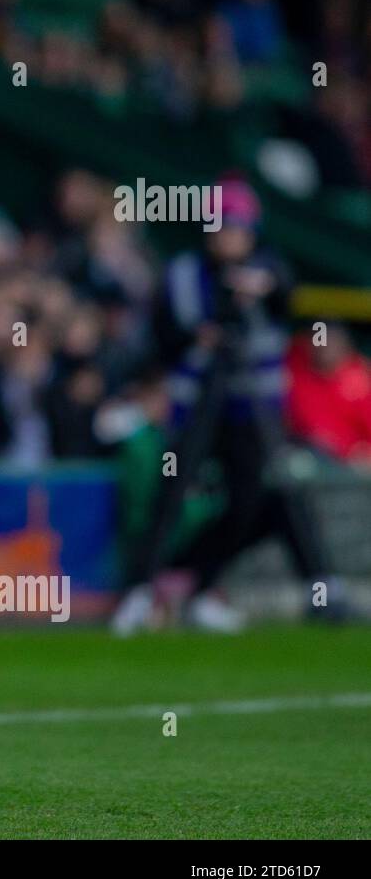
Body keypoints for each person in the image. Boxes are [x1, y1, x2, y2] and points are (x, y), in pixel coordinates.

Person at [111, 179, 330, 633]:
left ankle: (200, 586)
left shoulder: (268, 271)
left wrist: (261, 291)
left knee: (251, 502)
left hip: (251, 410)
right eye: (220, 228)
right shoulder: (185, 274)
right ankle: (138, 593)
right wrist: (201, 336)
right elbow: (162, 338)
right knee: (168, 497)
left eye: (236, 228)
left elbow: (289, 300)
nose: (228, 238)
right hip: (195, 408)